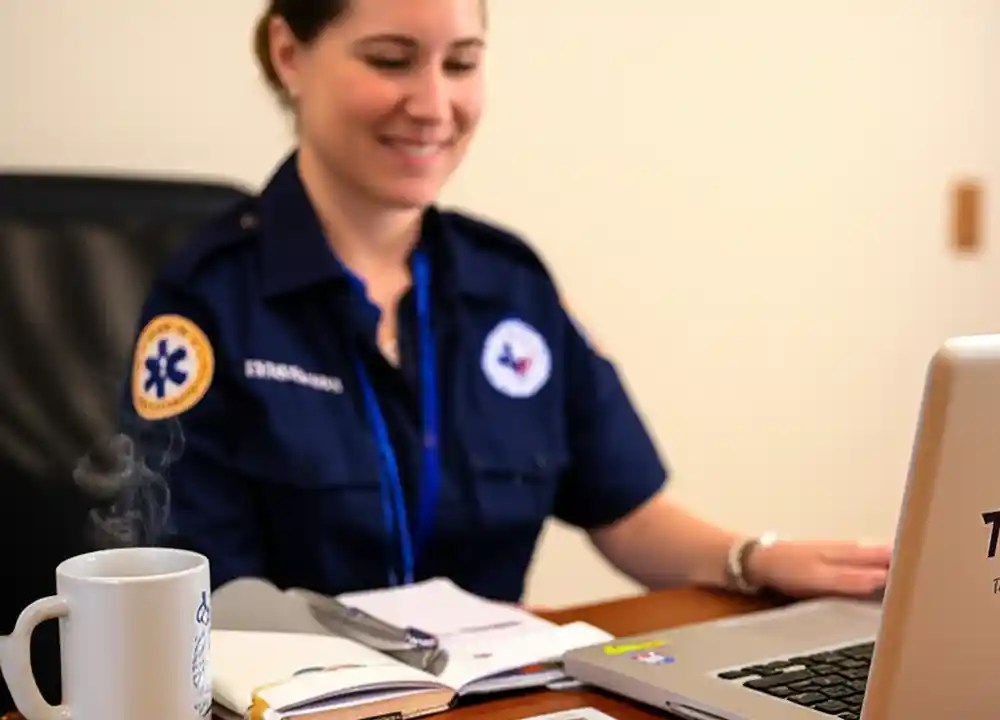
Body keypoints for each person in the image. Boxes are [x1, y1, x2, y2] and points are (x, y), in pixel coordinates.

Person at [118, 0, 893, 605]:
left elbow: (628, 514)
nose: (434, 105)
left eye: (461, 63)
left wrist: (752, 559)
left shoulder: (509, 284)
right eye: (390, 60)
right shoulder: (208, 299)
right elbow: (202, 598)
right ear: (290, 55)